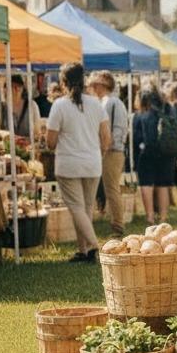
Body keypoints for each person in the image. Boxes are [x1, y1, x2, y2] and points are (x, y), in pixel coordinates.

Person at [46, 62, 109, 263]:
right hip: (92, 163)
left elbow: (50, 142)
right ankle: (84, 251)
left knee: (77, 208)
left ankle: (95, 247)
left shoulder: (59, 105)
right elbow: (106, 138)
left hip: (68, 164)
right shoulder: (96, 104)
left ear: (63, 82)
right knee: (85, 209)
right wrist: (96, 153)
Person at [88, 71, 129, 237]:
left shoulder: (112, 102)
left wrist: (107, 147)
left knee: (112, 189)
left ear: (104, 83)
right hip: (109, 150)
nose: (92, 85)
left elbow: (117, 129)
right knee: (110, 188)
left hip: (112, 151)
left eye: (95, 82)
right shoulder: (108, 102)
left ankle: (118, 226)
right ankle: (115, 223)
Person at [133, 88, 177, 223]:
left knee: (146, 184)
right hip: (167, 152)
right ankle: (163, 217)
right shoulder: (168, 111)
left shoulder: (139, 115)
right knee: (163, 185)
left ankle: (150, 216)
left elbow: (136, 138)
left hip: (146, 153)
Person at [0, 75, 41, 141]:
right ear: (6, 89)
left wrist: (32, 137)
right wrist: (4, 134)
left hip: (28, 147)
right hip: (6, 148)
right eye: (13, 87)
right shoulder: (0, 107)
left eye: (19, 86)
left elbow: (37, 130)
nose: (17, 90)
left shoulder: (32, 105)